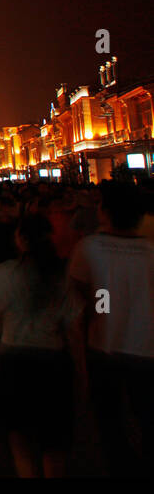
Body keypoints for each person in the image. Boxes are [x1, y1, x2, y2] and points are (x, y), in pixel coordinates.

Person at [0, 214, 80, 477]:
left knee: (19, 440)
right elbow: (74, 329)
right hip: (54, 362)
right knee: (54, 444)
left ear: (21, 239)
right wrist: (82, 370)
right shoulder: (64, 277)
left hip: (14, 362)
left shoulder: (2, 274)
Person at [67, 180, 154, 477]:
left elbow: (75, 303)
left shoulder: (89, 247)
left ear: (103, 211)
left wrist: (77, 358)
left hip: (102, 348)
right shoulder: (150, 252)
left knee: (110, 424)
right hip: (146, 350)